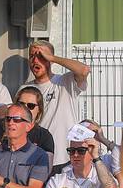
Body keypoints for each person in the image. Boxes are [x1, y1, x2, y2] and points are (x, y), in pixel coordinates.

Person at [22, 39, 91, 167]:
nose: (35, 60)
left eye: (41, 56)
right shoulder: (24, 90)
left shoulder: (64, 82)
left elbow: (84, 70)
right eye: (32, 56)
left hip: (64, 158)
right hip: (36, 159)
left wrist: (52, 58)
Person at [0, 103, 51, 188]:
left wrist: (1, 181)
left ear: (28, 126)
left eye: (16, 119)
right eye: (8, 119)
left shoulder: (39, 155)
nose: (11, 123)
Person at [42, 128, 117, 188]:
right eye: (72, 151)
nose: (75, 155)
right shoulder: (57, 180)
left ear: (92, 152)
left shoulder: (100, 178)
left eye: (81, 151)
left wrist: (96, 157)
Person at [0, 85, 56, 157]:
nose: (25, 108)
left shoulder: (44, 136)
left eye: (31, 106)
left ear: (39, 110)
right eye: (21, 104)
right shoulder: (1, 125)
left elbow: (45, 165)